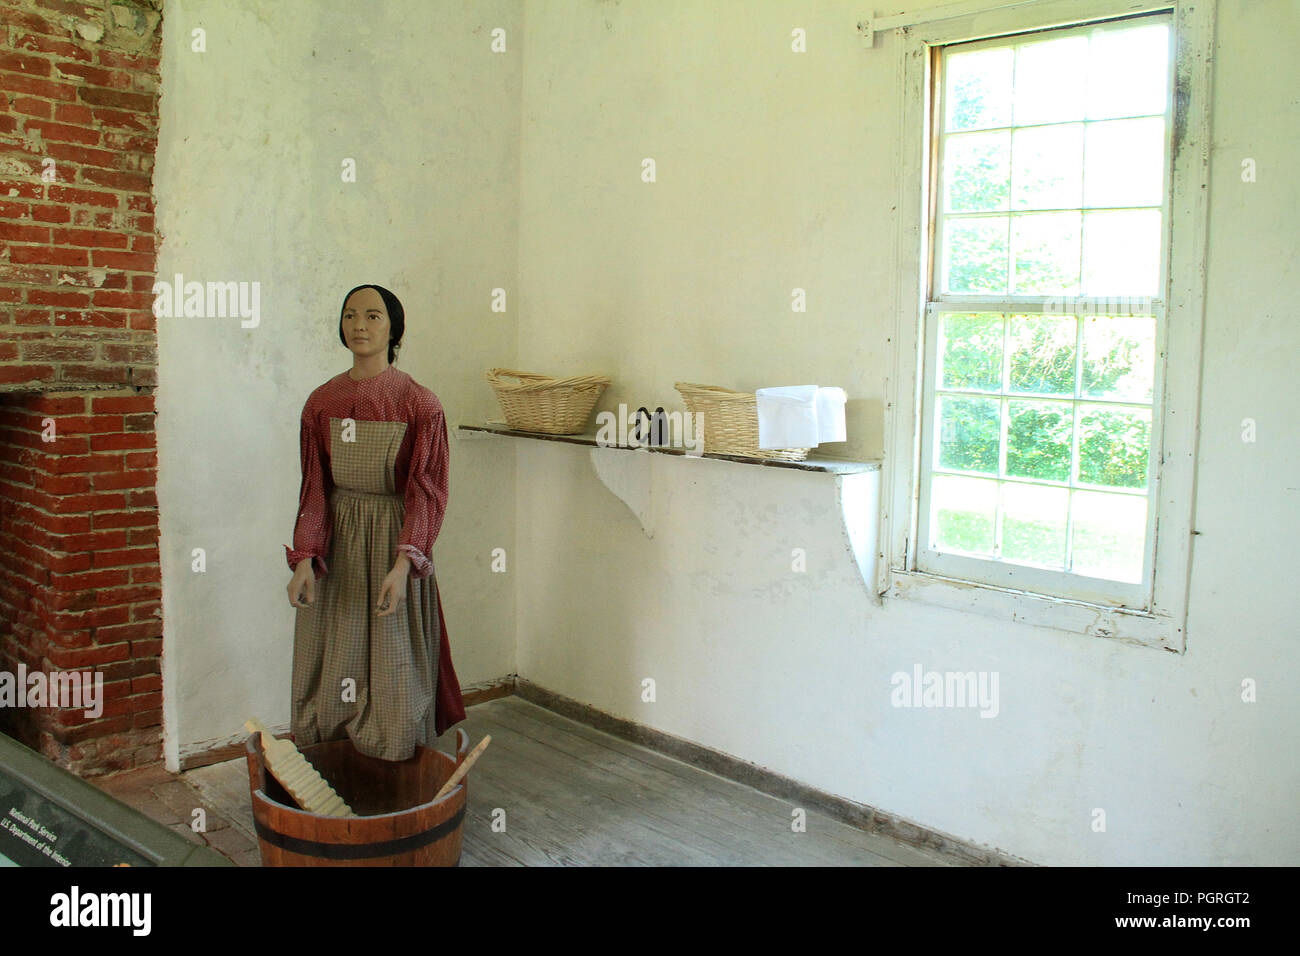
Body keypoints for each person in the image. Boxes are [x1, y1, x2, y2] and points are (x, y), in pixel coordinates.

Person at [283, 284, 465, 761]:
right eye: (349, 315)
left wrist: (405, 565)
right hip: (339, 542)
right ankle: (334, 758)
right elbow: (315, 490)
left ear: (393, 328)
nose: (359, 325)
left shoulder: (419, 404)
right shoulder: (321, 401)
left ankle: (394, 756)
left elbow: (427, 491)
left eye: (372, 315)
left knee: (392, 652)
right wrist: (305, 558)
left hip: (393, 538)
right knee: (333, 645)